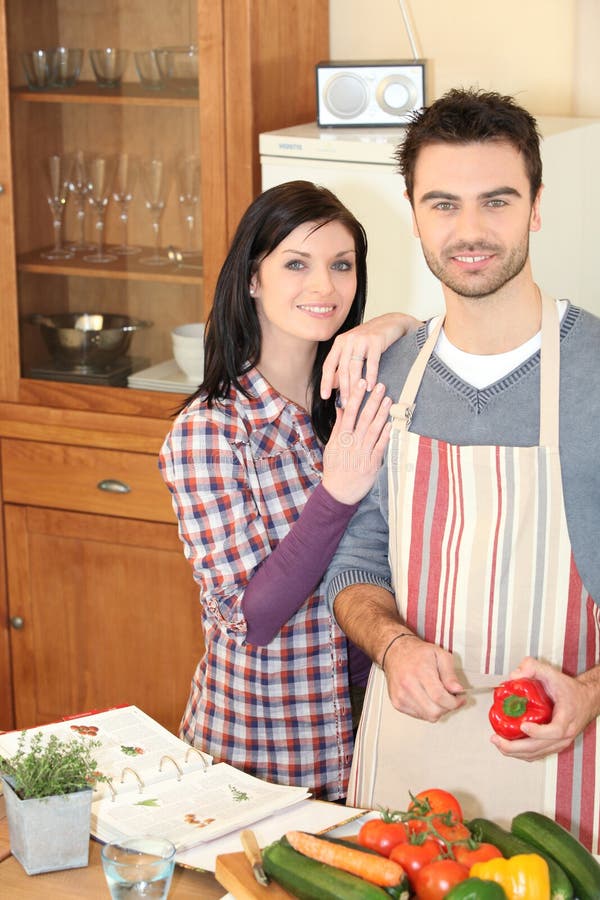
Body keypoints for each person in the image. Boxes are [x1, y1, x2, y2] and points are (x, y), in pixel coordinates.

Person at [325, 89, 600, 850]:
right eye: (443, 203)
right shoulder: (385, 374)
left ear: (537, 207)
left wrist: (588, 693)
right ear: (412, 209)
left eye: (497, 201)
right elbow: (352, 564)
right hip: (407, 773)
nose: (470, 231)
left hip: (571, 776)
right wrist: (392, 646)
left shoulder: (596, 371)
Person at [159, 180, 418, 800]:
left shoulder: (358, 396)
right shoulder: (211, 432)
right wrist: (336, 494)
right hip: (256, 756)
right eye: (296, 264)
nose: (324, 287)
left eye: (341, 266)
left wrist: (392, 325)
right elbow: (252, 618)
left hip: (366, 741)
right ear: (254, 278)